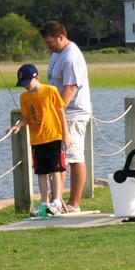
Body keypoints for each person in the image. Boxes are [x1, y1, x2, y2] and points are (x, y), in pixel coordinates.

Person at [41, 21, 92, 213]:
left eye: (50, 42)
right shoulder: (57, 54)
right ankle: (57, 201)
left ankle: (73, 204)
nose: (48, 46)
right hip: (59, 113)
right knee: (59, 156)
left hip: (73, 113)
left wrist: (56, 111)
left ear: (61, 37)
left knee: (74, 156)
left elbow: (70, 88)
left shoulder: (71, 57)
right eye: (46, 43)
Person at [8, 63, 68, 217]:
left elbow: (61, 112)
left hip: (54, 137)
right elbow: (26, 117)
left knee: (55, 170)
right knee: (41, 172)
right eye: (23, 83)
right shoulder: (24, 97)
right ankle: (44, 204)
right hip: (37, 139)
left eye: (28, 82)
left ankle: (56, 202)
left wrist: (66, 134)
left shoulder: (50, 91)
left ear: (37, 78)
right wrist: (18, 126)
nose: (26, 86)